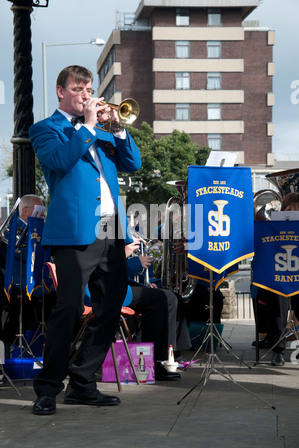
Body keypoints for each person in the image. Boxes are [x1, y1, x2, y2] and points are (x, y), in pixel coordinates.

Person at [28, 65, 141, 415]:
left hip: (111, 232)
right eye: (79, 89)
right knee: (69, 310)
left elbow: (133, 163)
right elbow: (59, 161)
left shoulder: (103, 132)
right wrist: (89, 126)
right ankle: (47, 389)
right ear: (61, 92)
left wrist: (118, 128)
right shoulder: (46, 130)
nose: (86, 94)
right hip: (75, 233)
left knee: (109, 310)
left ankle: (82, 382)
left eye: (89, 88)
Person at [124, 238, 191, 379]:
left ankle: (173, 353)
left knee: (174, 297)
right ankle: (153, 361)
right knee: (163, 299)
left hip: (123, 287)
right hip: (111, 291)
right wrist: (133, 260)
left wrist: (149, 282)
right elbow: (105, 267)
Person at [0, 194, 55, 350]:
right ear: (24, 210)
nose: (43, 214)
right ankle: (9, 347)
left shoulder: (39, 229)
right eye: (39, 210)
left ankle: (46, 346)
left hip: (36, 282)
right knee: (24, 308)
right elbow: (16, 257)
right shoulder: (11, 229)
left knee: (58, 299)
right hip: (18, 284)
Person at [252, 192, 299, 366]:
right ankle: (277, 351)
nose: (290, 212)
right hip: (278, 278)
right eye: (287, 208)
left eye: (295, 210)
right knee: (278, 302)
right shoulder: (271, 226)